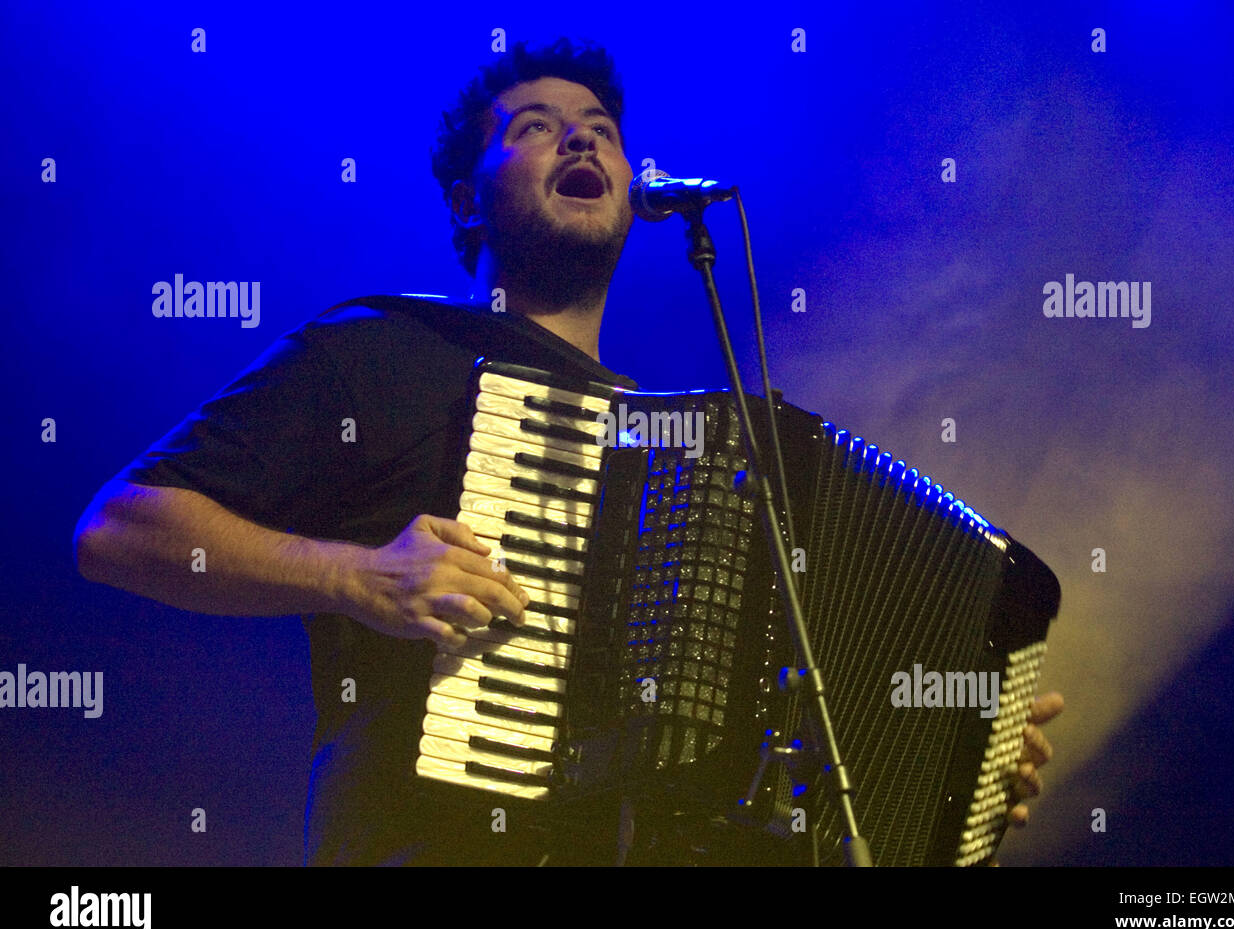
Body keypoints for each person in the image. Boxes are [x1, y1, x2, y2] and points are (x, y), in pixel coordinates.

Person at [74, 38, 1062, 866]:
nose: (581, 134)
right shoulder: (380, 349)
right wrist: (362, 577)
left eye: (601, 127)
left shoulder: (682, 453)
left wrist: (949, 755)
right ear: (467, 199)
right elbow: (118, 526)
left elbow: (760, 750)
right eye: (534, 125)